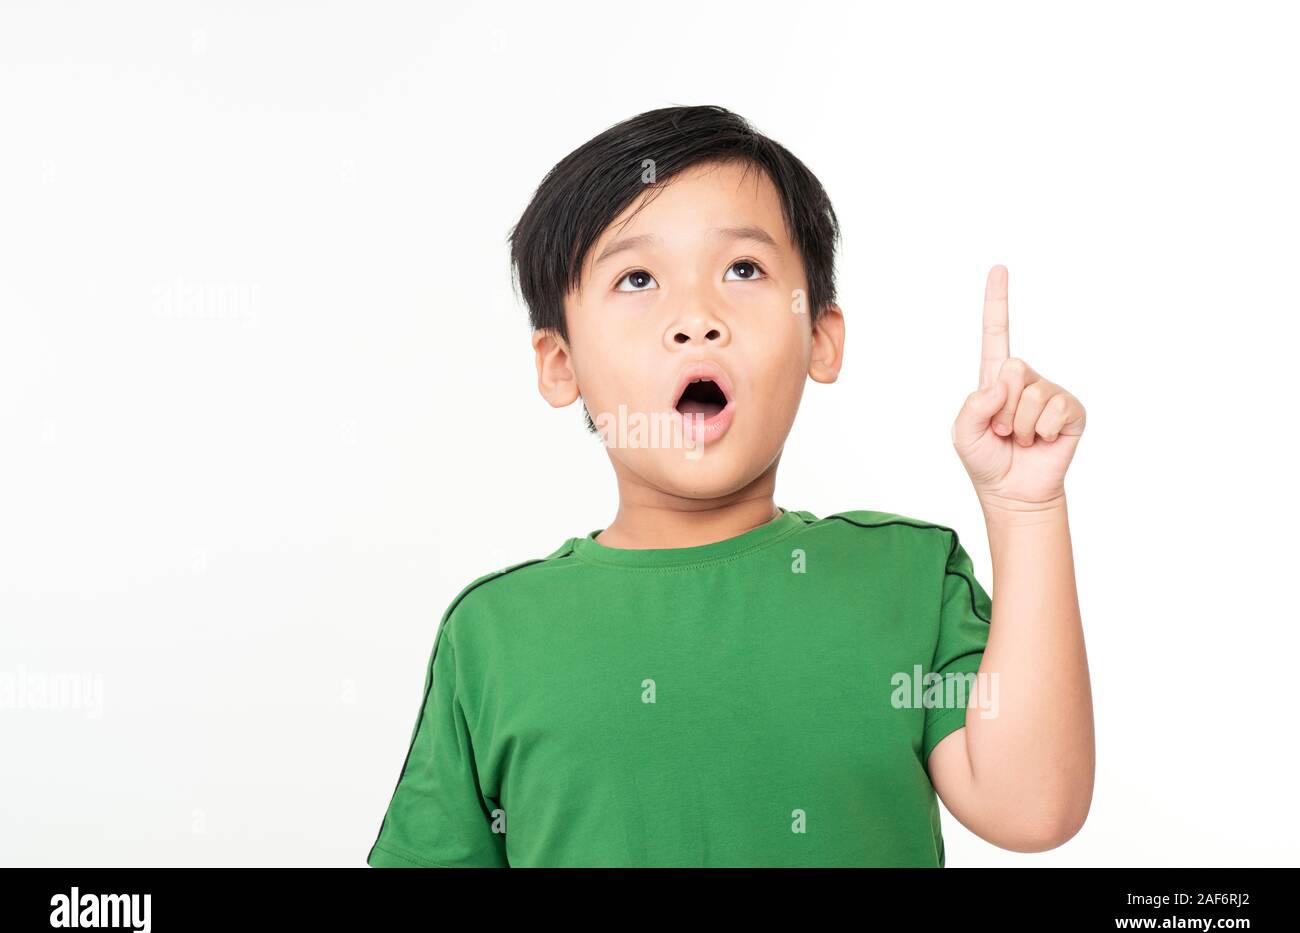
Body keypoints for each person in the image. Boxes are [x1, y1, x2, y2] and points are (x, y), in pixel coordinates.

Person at [367, 105, 1093, 867]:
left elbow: (1033, 806)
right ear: (559, 363)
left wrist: (1026, 509)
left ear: (820, 337)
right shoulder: (492, 635)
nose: (696, 320)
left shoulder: (907, 580)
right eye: (637, 278)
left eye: (744, 270)